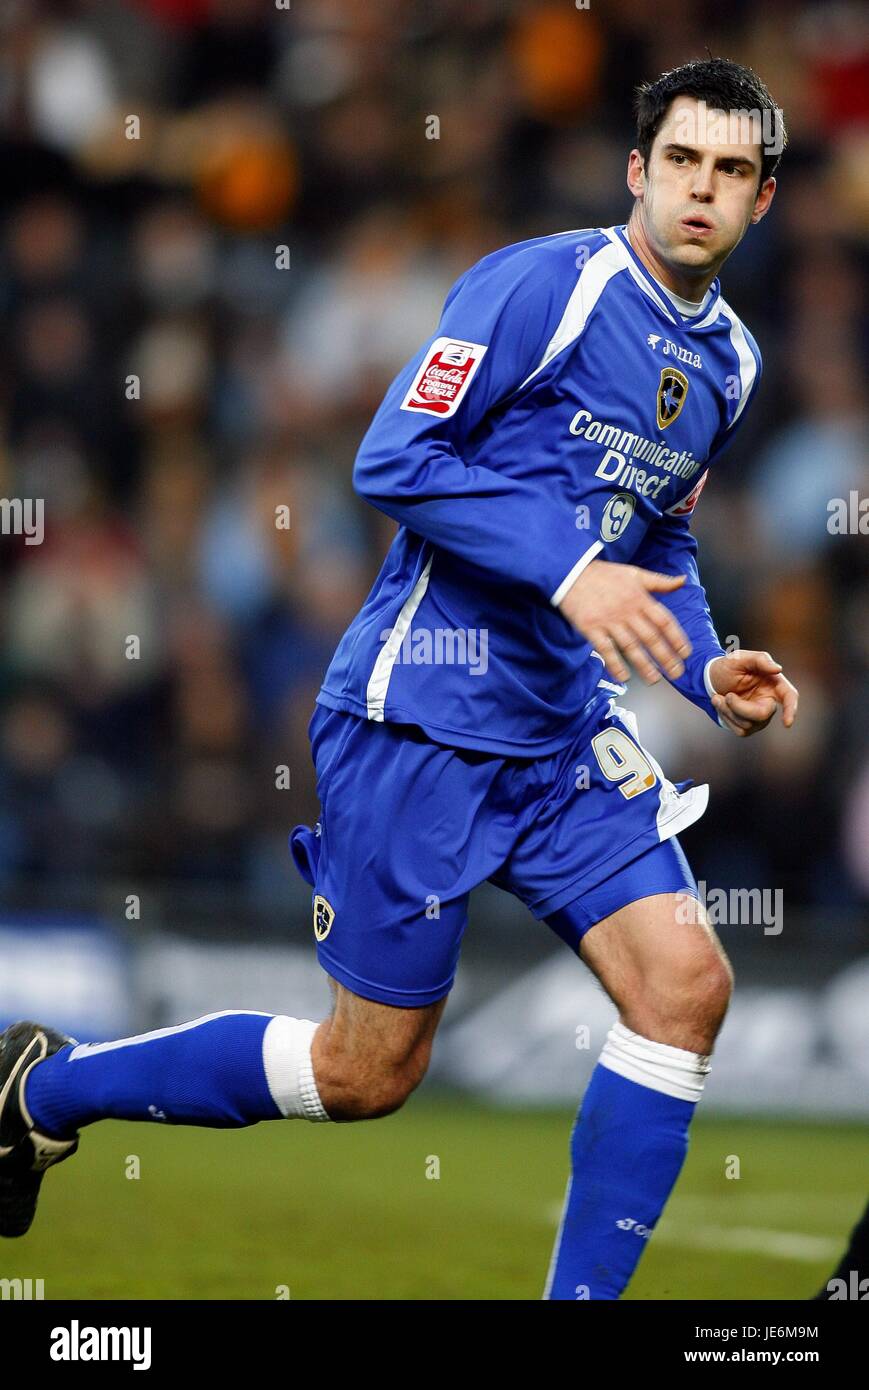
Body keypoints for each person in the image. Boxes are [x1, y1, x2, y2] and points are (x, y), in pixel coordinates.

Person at [0, 58, 798, 1300]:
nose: (702, 190)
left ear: (760, 201)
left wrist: (706, 663)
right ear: (636, 172)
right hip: (420, 716)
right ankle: (42, 1088)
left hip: (559, 735)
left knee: (686, 985)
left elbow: (661, 540)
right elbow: (392, 457)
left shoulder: (732, 365)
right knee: (364, 1073)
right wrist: (569, 572)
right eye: (681, 162)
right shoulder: (542, 286)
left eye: (732, 171)